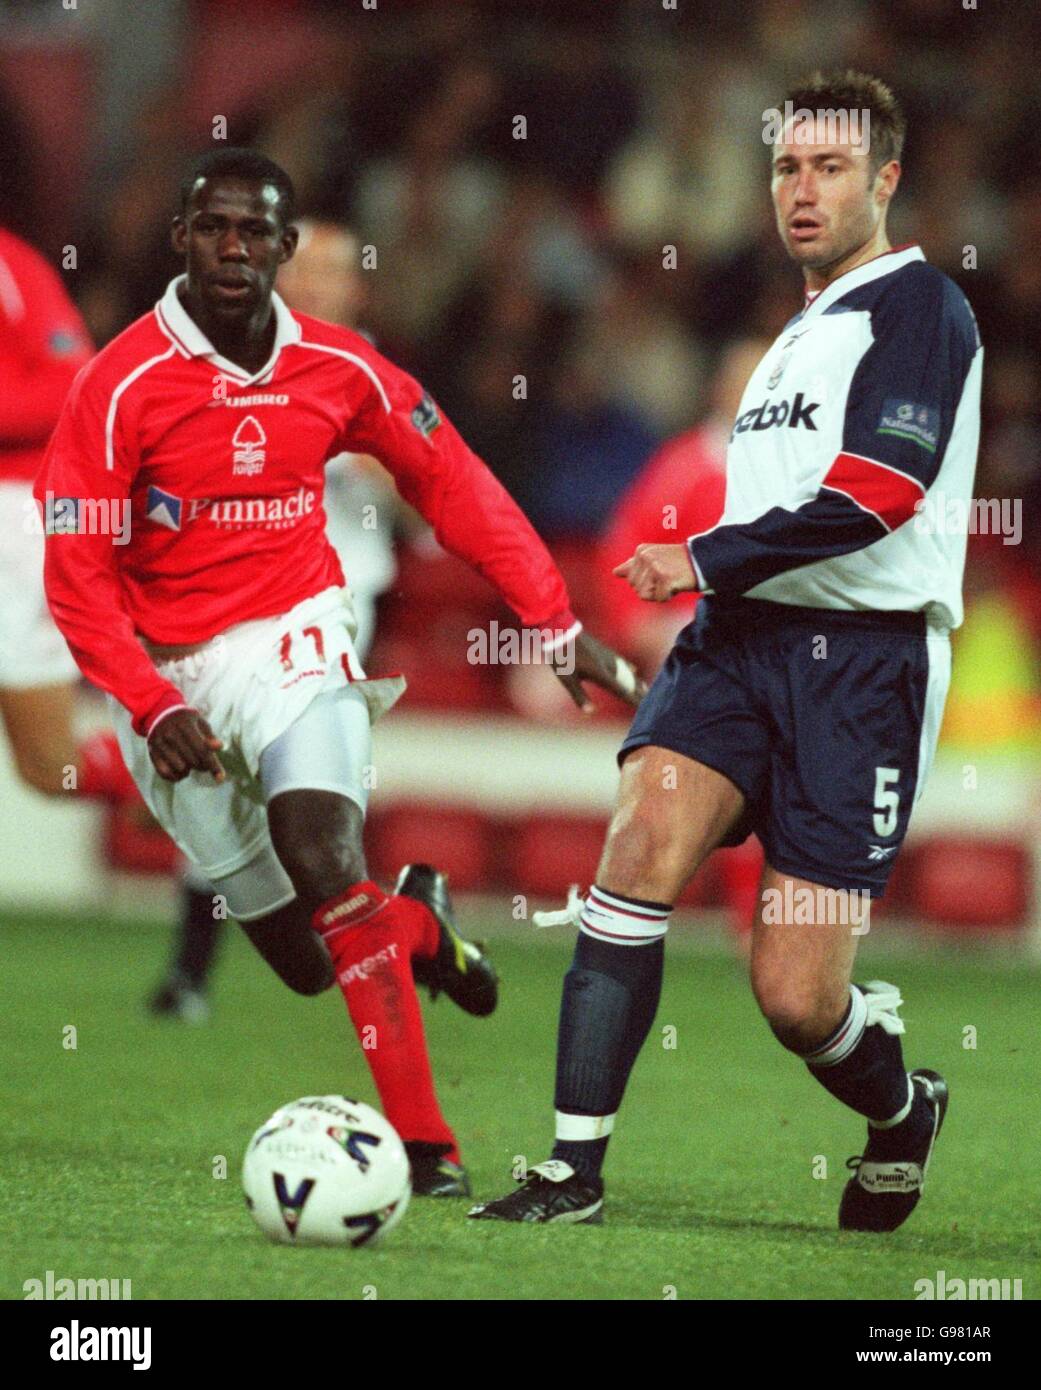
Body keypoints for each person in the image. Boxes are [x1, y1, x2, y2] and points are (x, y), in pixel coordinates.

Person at [35, 148, 643, 1204]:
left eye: (254, 231)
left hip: (292, 630)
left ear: (283, 247)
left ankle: (425, 1147)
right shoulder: (116, 385)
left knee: (323, 849)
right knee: (312, 958)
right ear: (182, 237)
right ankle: (418, 921)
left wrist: (550, 615)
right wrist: (149, 699)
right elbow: (75, 575)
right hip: (167, 672)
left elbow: (450, 478)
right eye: (213, 227)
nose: (233, 247)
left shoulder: (343, 368)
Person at [470, 70, 981, 1231]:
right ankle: (571, 1168)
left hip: (862, 667)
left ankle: (901, 1104)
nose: (802, 192)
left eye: (831, 168)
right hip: (737, 645)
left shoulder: (921, 311)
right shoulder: (789, 342)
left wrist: (706, 556)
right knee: (641, 835)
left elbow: (881, 494)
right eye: (788, 168)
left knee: (797, 1000)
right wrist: (719, 586)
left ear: (885, 179)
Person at [149, 218, 402, 1022]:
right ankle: (205, 967)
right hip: (229, 608)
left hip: (332, 606)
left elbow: (432, 506)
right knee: (224, 781)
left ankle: (368, 953)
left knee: (260, 790)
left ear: (356, 289)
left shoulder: (366, 373)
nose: (318, 285)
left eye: (335, 272)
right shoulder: (238, 360)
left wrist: (374, 463)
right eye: (307, 270)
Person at [0, 225, 139, 808]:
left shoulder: (12, 264)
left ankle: (185, 776)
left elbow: (72, 382)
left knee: (47, 764)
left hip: (15, 517)